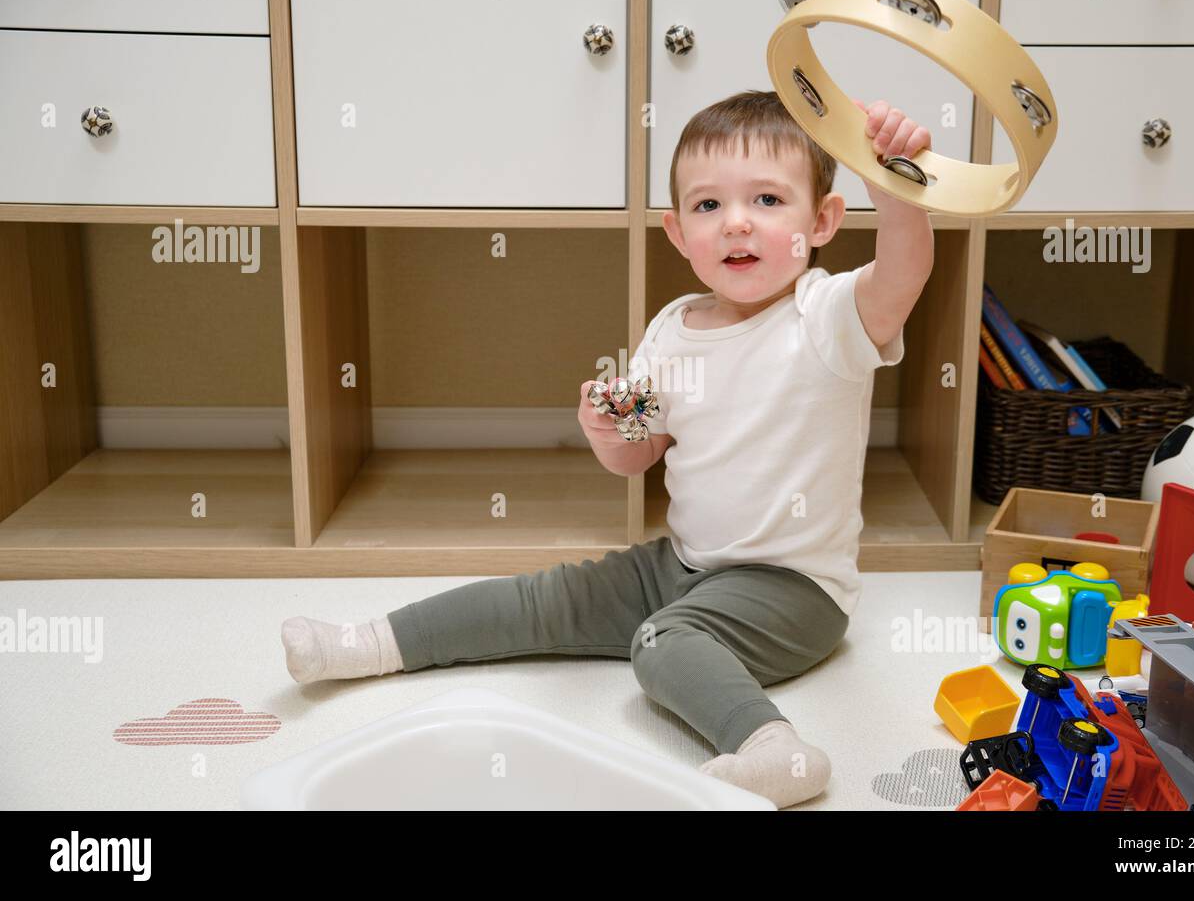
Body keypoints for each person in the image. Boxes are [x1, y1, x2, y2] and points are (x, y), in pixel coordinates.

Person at [281, 91, 935, 808]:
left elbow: (902, 275)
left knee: (662, 643)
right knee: (544, 596)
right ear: (678, 232)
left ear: (822, 222)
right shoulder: (671, 327)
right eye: (708, 206)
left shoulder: (825, 316)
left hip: (794, 588)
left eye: (769, 200)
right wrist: (607, 430)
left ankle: (776, 750)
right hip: (684, 564)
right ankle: (364, 644)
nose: (737, 222)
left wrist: (894, 188)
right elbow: (639, 453)